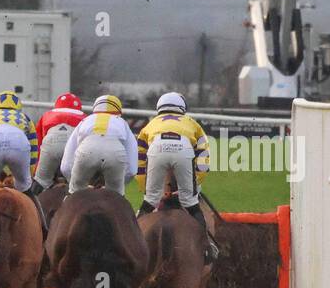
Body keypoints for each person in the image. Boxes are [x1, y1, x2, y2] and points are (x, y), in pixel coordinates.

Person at [136, 92, 219, 263]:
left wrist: (148, 191)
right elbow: (204, 159)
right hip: (183, 150)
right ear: (182, 109)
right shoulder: (192, 123)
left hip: (156, 149)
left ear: (160, 108)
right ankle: (206, 247)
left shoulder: (151, 124)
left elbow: (139, 161)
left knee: (149, 201)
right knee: (190, 202)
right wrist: (194, 184)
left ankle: (132, 242)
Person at [60, 94, 137, 197]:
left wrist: (75, 181)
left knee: (73, 195)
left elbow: (66, 166)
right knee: (117, 200)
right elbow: (131, 170)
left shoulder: (85, 121)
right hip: (114, 153)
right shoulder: (122, 123)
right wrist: (118, 184)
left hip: (87, 151)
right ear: (118, 112)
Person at [0, 90, 36, 192]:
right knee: (24, 186)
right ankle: (36, 207)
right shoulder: (25, 118)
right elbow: (33, 147)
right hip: (18, 143)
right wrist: (29, 175)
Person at [34, 93, 84, 191]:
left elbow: (38, 141)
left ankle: (32, 202)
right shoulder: (84, 118)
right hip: (73, 148)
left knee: (41, 181)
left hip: (50, 146)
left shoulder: (47, 115)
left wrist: (37, 169)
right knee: (78, 185)